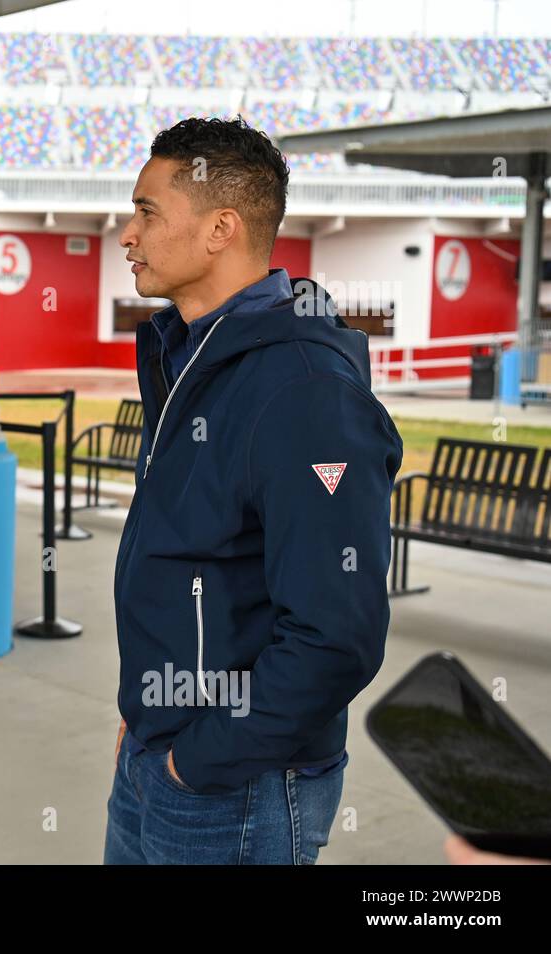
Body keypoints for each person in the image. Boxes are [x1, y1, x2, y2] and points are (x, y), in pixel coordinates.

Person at [104, 117, 403, 865]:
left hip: (234, 788)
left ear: (220, 229)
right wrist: (148, 716)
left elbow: (336, 636)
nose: (126, 235)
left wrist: (200, 758)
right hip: (155, 752)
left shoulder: (305, 392)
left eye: (146, 212)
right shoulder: (190, 355)